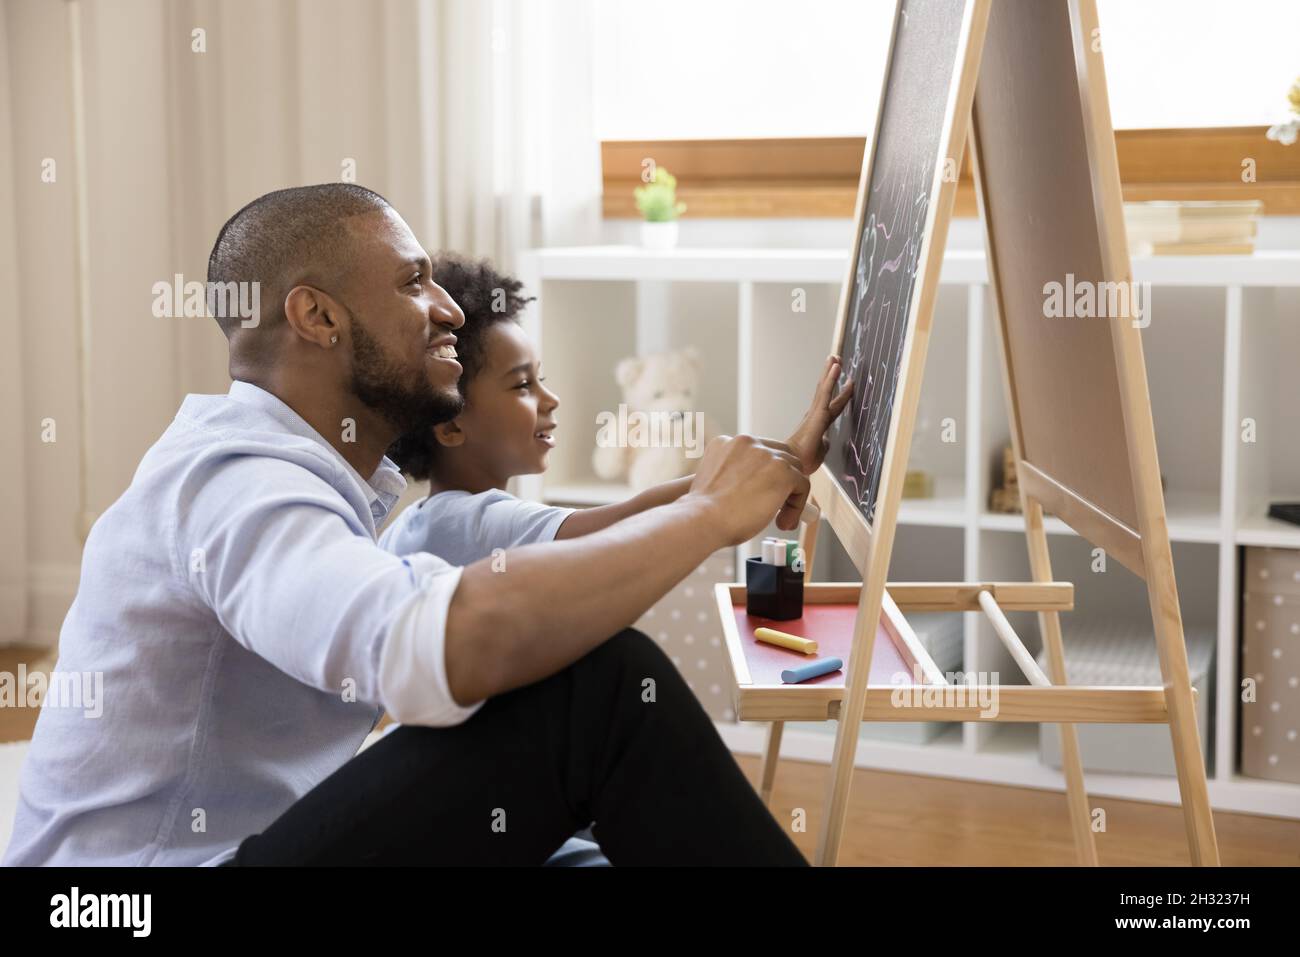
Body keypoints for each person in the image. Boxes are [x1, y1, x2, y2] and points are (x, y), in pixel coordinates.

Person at [3, 184, 850, 867]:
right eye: (413, 283)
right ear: (319, 317)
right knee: (601, 685)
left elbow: (564, 555)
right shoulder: (235, 485)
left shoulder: (324, 480)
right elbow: (437, 644)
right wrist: (707, 516)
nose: (447, 308)